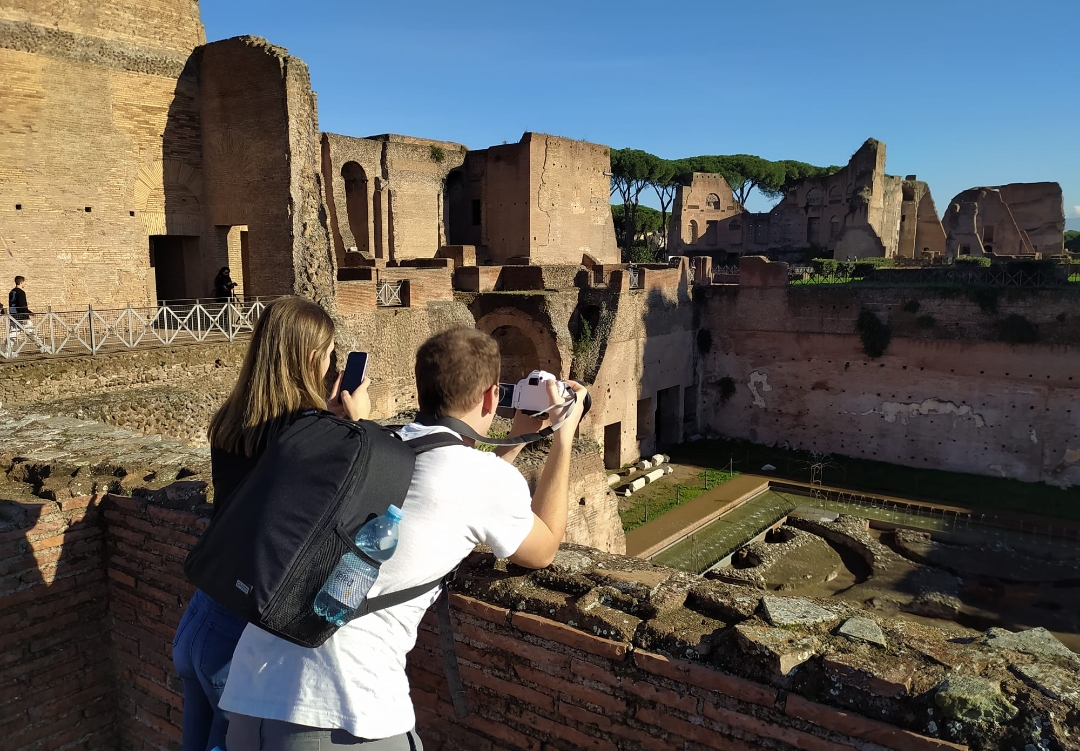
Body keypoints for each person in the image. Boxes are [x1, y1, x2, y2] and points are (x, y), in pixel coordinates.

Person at [220, 326, 587, 751]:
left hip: (250, 691)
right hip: (340, 711)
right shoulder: (483, 480)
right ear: (491, 398)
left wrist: (512, 442)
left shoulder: (378, 441)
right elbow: (542, 550)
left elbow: (448, 488)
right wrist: (563, 437)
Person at [172, 296, 369, 751]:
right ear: (310, 358)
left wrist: (324, 418)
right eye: (328, 353)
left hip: (202, 613)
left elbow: (277, 456)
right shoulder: (306, 436)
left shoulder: (232, 421)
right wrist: (358, 424)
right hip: (242, 633)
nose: (331, 363)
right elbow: (358, 488)